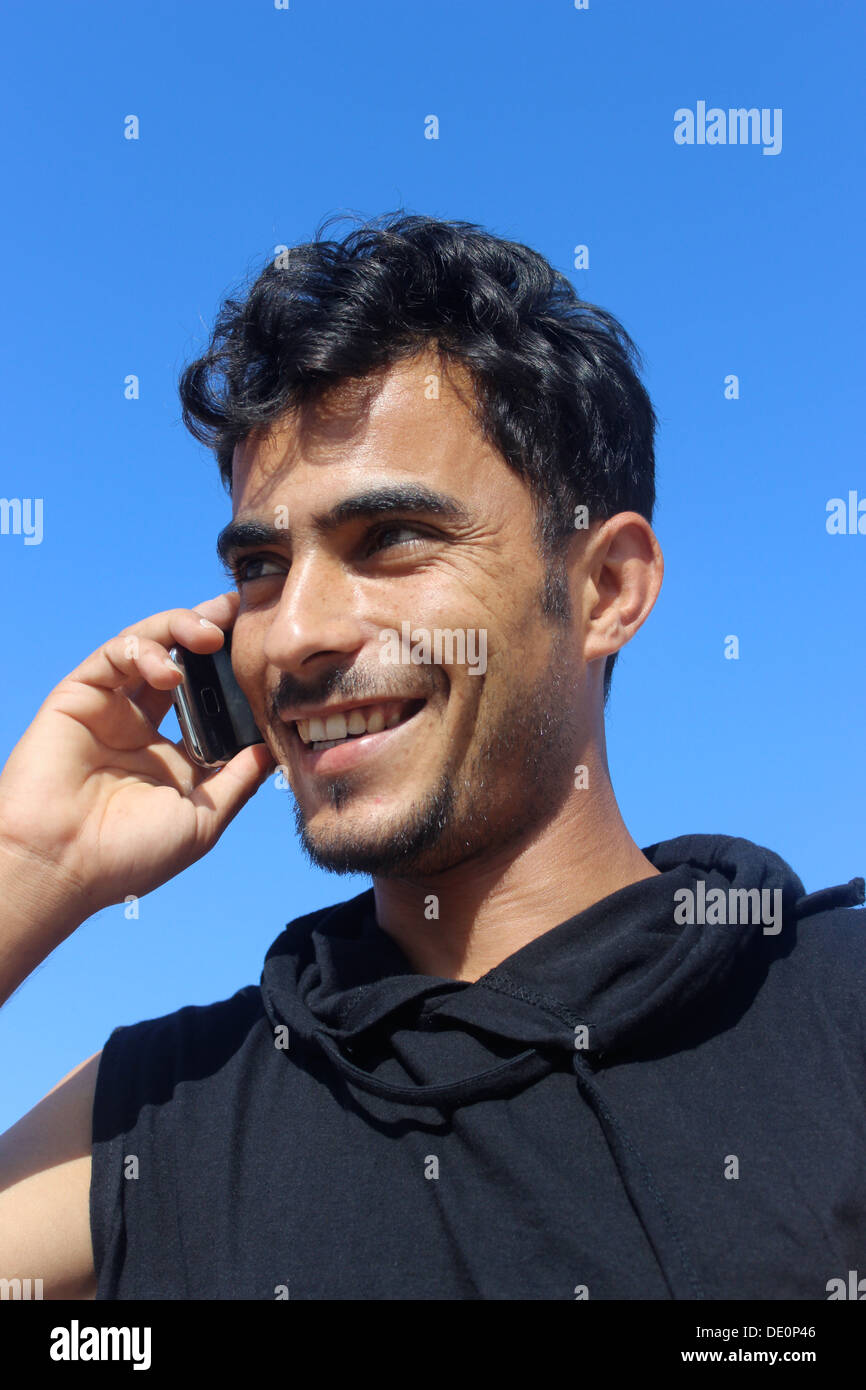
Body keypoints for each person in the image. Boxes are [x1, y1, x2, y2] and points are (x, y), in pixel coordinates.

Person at [0, 212, 862, 1301]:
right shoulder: (164, 1108)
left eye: (392, 539)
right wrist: (29, 863)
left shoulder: (831, 1013)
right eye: (262, 563)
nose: (297, 631)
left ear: (605, 589)